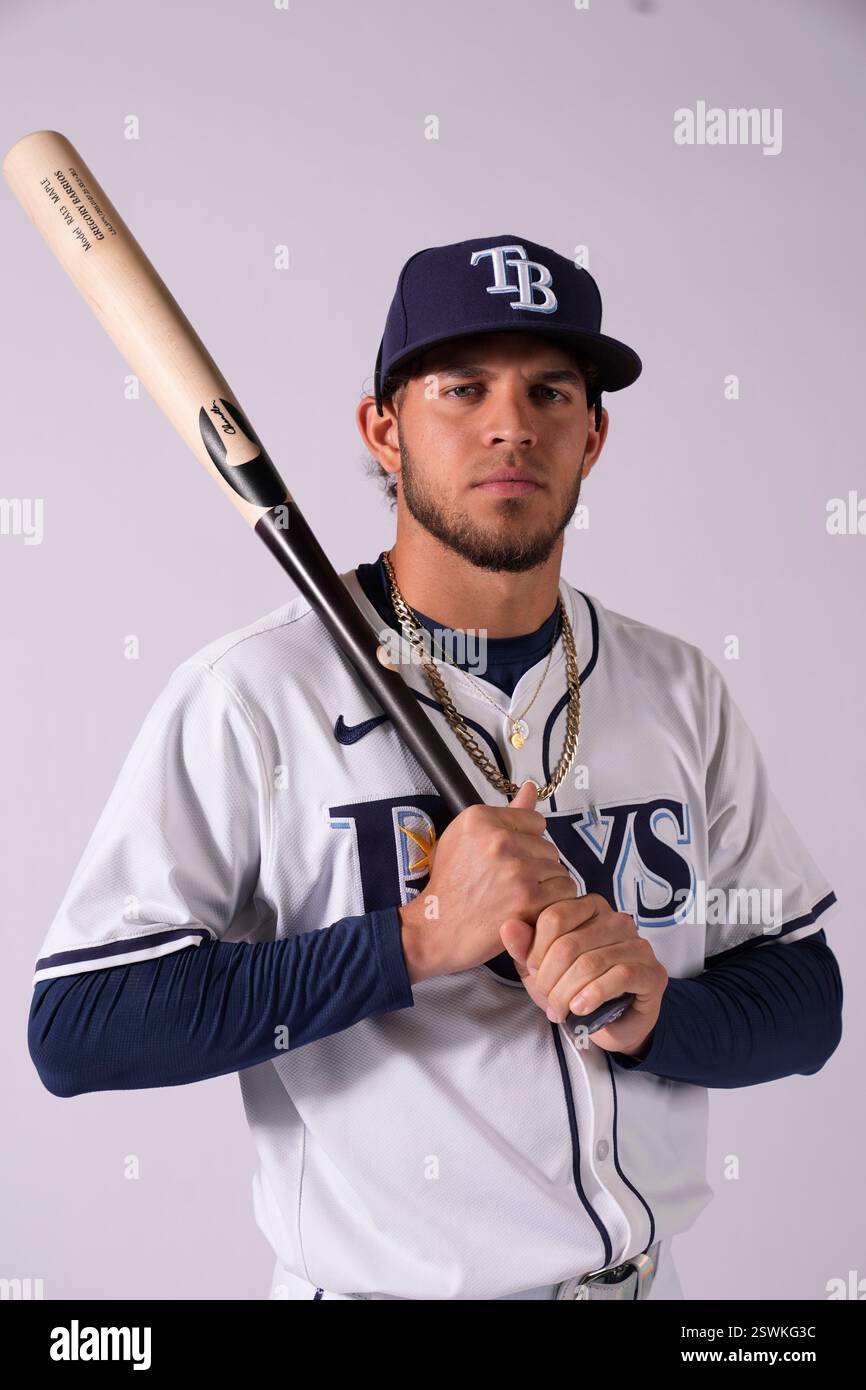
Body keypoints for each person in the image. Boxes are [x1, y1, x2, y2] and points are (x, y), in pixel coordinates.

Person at [28, 236, 842, 1302]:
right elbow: (81, 1024)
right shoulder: (251, 696)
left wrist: (656, 1013)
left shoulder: (675, 687)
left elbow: (804, 993)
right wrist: (412, 940)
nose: (512, 423)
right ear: (383, 428)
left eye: (551, 391)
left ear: (592, 436)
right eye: (462, 387)